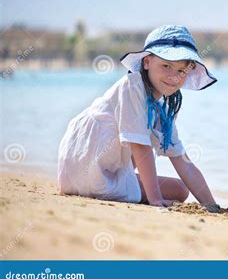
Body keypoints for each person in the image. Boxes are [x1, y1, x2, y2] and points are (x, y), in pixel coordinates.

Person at [57, 25, 217, 207]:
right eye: (166, 66)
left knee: (180, 190)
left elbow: (183, 162)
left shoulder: (163, 108)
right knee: (140, 141)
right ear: (147, 62)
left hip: (83, 176)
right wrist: (155, 199)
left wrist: (212, 205)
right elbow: (140, 148)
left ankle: (132, 188)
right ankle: (139, 193)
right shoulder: (132, 87)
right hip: (90, 174)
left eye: (181, 71)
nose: (174, 77)